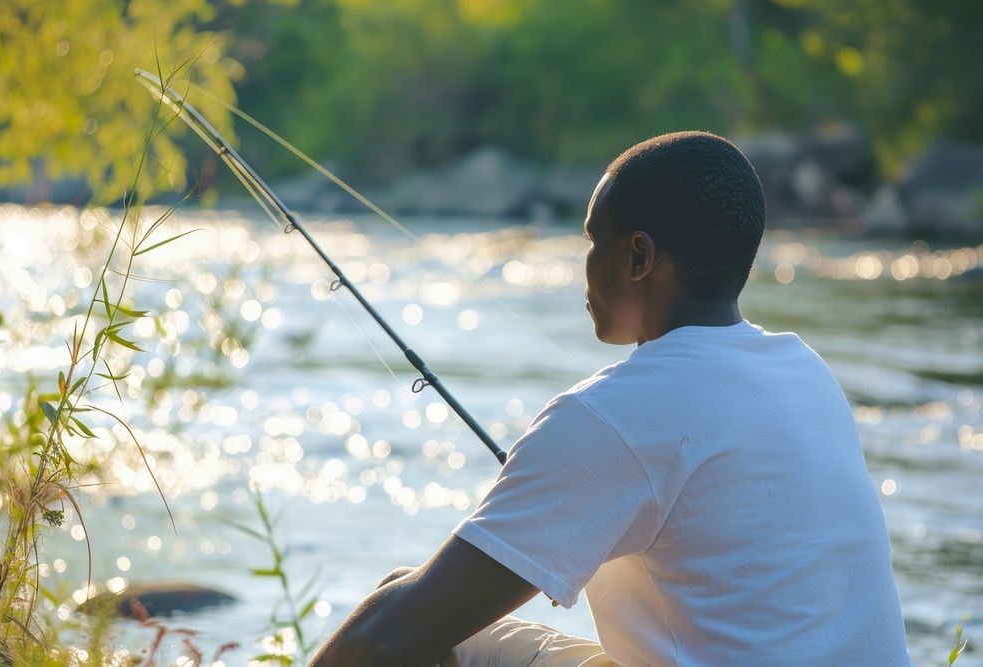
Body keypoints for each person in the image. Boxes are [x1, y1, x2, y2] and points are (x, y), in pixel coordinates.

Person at [308, 131, 911, 666]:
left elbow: (383, 644)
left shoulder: (611, 415)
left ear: (639, 257)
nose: (585, 268)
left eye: (593, 242)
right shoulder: (804, 369)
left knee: (400, 622)